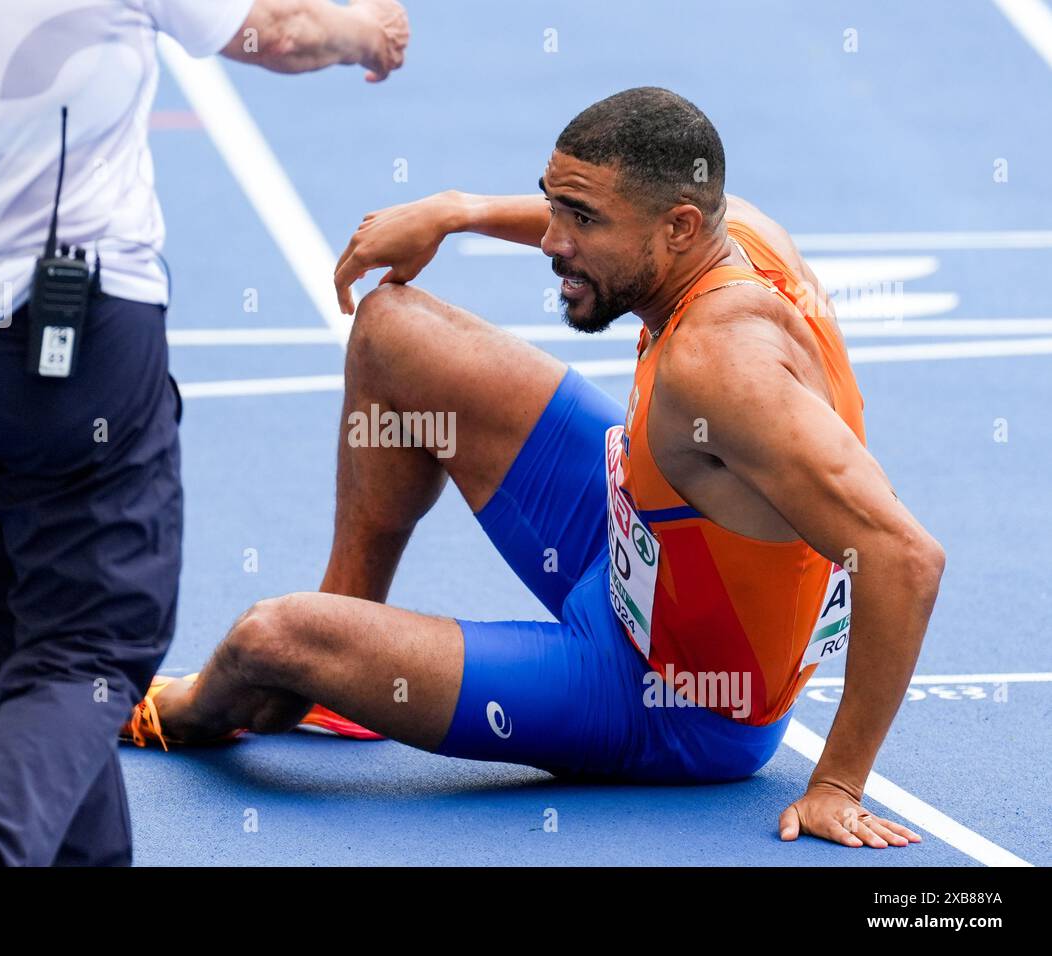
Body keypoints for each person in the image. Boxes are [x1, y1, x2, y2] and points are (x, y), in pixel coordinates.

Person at [131, 87, 945, 850]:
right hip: (641, 534)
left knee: (271, 638)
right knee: (390, 332)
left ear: (680, 229)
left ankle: (224, 702)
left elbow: (904, 556)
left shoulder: (723, 368)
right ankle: (344, 667)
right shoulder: (742, 233)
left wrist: (836, 782)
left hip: (668, 695)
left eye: (580, 220)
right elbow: (592, 218)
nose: (554, 242)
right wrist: (456, 212)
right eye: (556, 206)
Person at [0, 0, 409, 867]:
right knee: (64, 623)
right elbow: (276, 30)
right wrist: (365, 30)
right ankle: (18, 787)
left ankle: (39, 757)